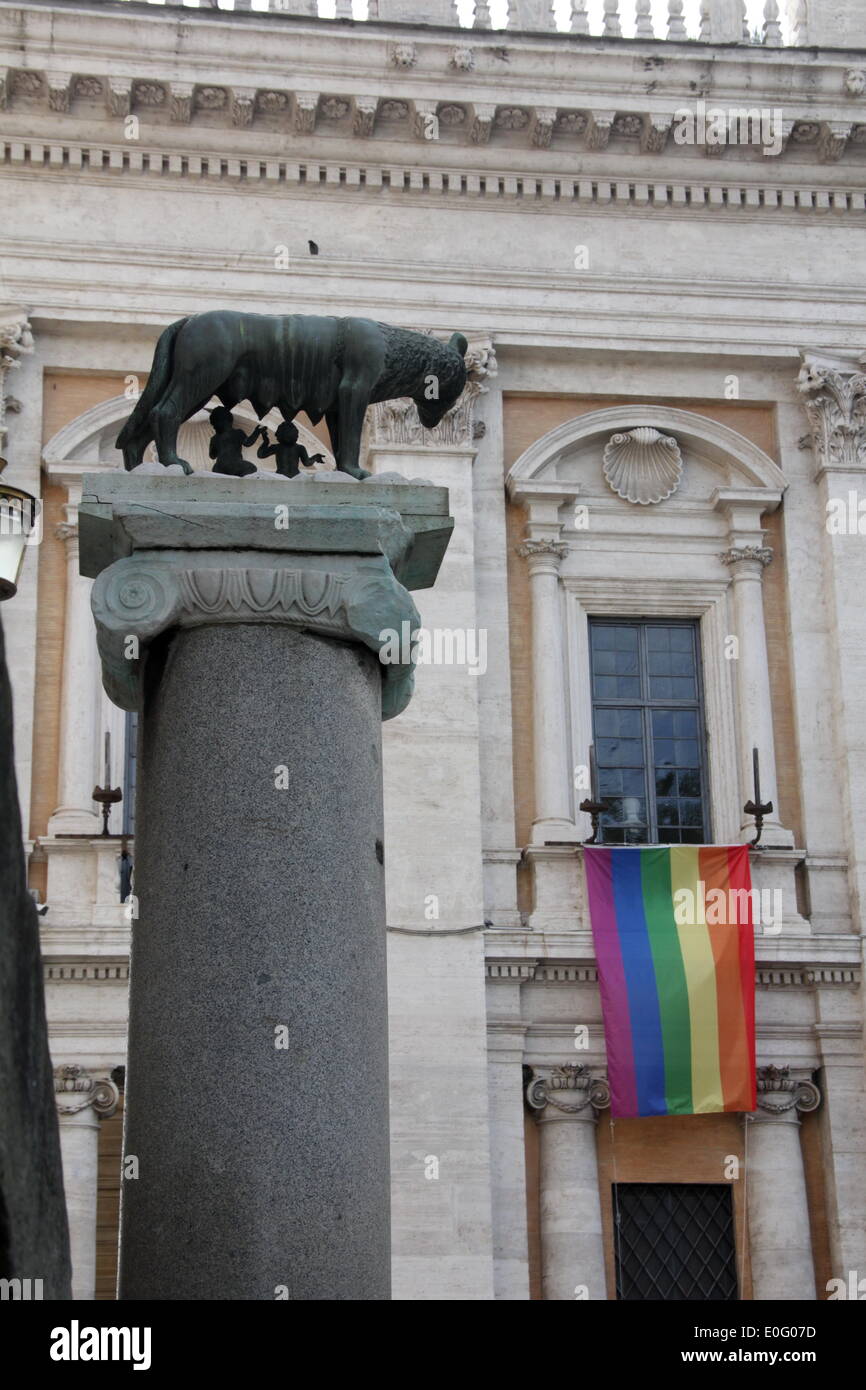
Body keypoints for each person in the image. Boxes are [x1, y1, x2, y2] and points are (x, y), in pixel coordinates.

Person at [208, 407, 265, 477]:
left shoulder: (215, 438)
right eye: (213, 425)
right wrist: (257, 432)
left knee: (251, 468)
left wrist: (257, 432)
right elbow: (248, 442)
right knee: (251, 468)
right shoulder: (237, 433)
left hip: (222, 467)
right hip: (234, 465)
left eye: (215, 424)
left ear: (226, 421)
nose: (214, 427)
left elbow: (212, 456)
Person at [256, 421, 326, 478]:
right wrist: (316, 457)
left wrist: (266, 441)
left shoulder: (277, 447)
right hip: (295, 477)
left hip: (281, 477)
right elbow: (307, 463)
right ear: (295, 435)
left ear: (279, 434)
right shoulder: (300, 448)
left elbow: (260, 455)